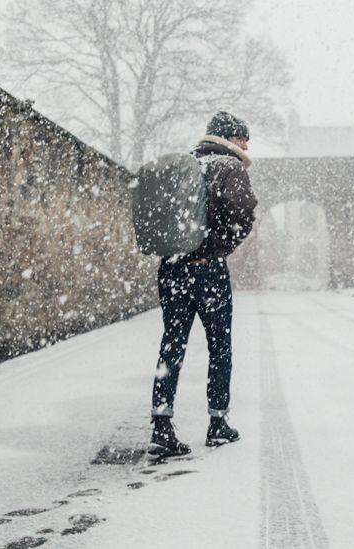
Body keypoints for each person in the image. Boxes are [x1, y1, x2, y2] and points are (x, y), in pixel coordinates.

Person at [149, 111, 258, 457]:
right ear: (231, 138)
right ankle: (217, 423)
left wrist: (182, 250)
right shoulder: (230, 167)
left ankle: (162, 424)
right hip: (207, 270)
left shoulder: (187, 164)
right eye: (244, 138)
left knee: (172, 344)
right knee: (220, 347)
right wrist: (217, 246)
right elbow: (242, 214)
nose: (247, 144)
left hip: (171, 268)